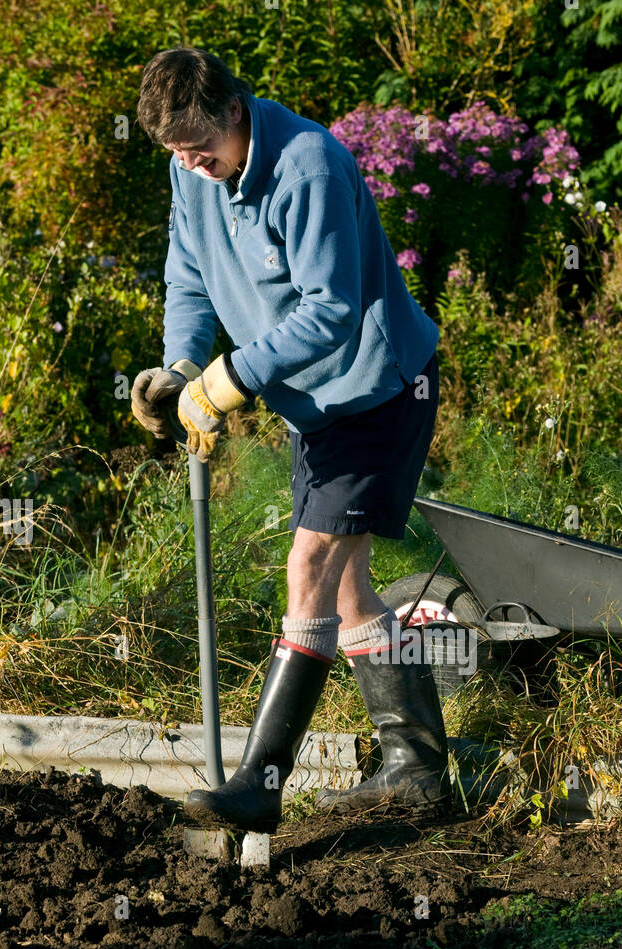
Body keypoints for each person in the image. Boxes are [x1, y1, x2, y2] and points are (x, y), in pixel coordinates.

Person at [132, 47, 450, 832]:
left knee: (308, 563)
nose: (190, 163)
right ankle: (416, 772)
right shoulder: (193, 170)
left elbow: (332, 309)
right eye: (174, 151)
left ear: (235, 109)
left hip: (378, 389)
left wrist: (229, 379)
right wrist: (181, 367)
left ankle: (261, 784)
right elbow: (188, 275)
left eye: (197, 143)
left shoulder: (308, 165)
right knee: (346, 592)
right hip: (316, 406)